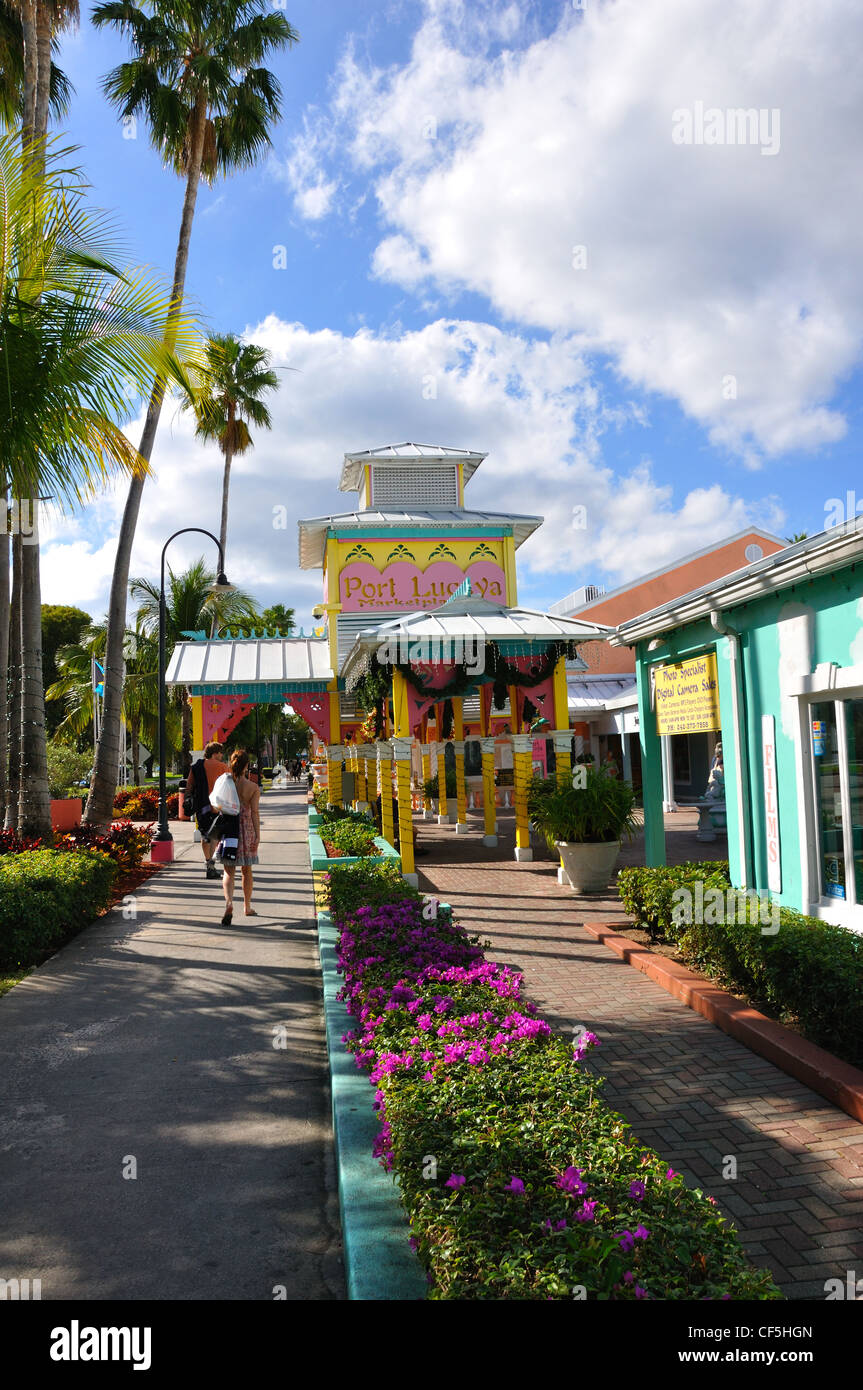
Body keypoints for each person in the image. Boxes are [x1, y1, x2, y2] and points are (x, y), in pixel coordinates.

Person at [213, 748, 260, 925]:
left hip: (229, 829)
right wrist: (257, 834)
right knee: (246, 870)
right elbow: (254, 812)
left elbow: (217, 805)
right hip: (246, 829)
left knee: (228, 870)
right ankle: (247, 907)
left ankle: (229, 903)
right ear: (247, 765)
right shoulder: (252, 787)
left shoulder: (225, 782)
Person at [185, 741, 228, 880]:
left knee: (205, 835)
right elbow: (231, 786)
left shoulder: (196, 767)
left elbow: (189, 785)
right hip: (218, 807)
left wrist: (187, 800)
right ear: (215, 753)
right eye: (220, 753)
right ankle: (211, 866)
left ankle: (209, 863)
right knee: (215, 836)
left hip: (201, 807)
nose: (221, 755)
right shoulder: (223, 767)